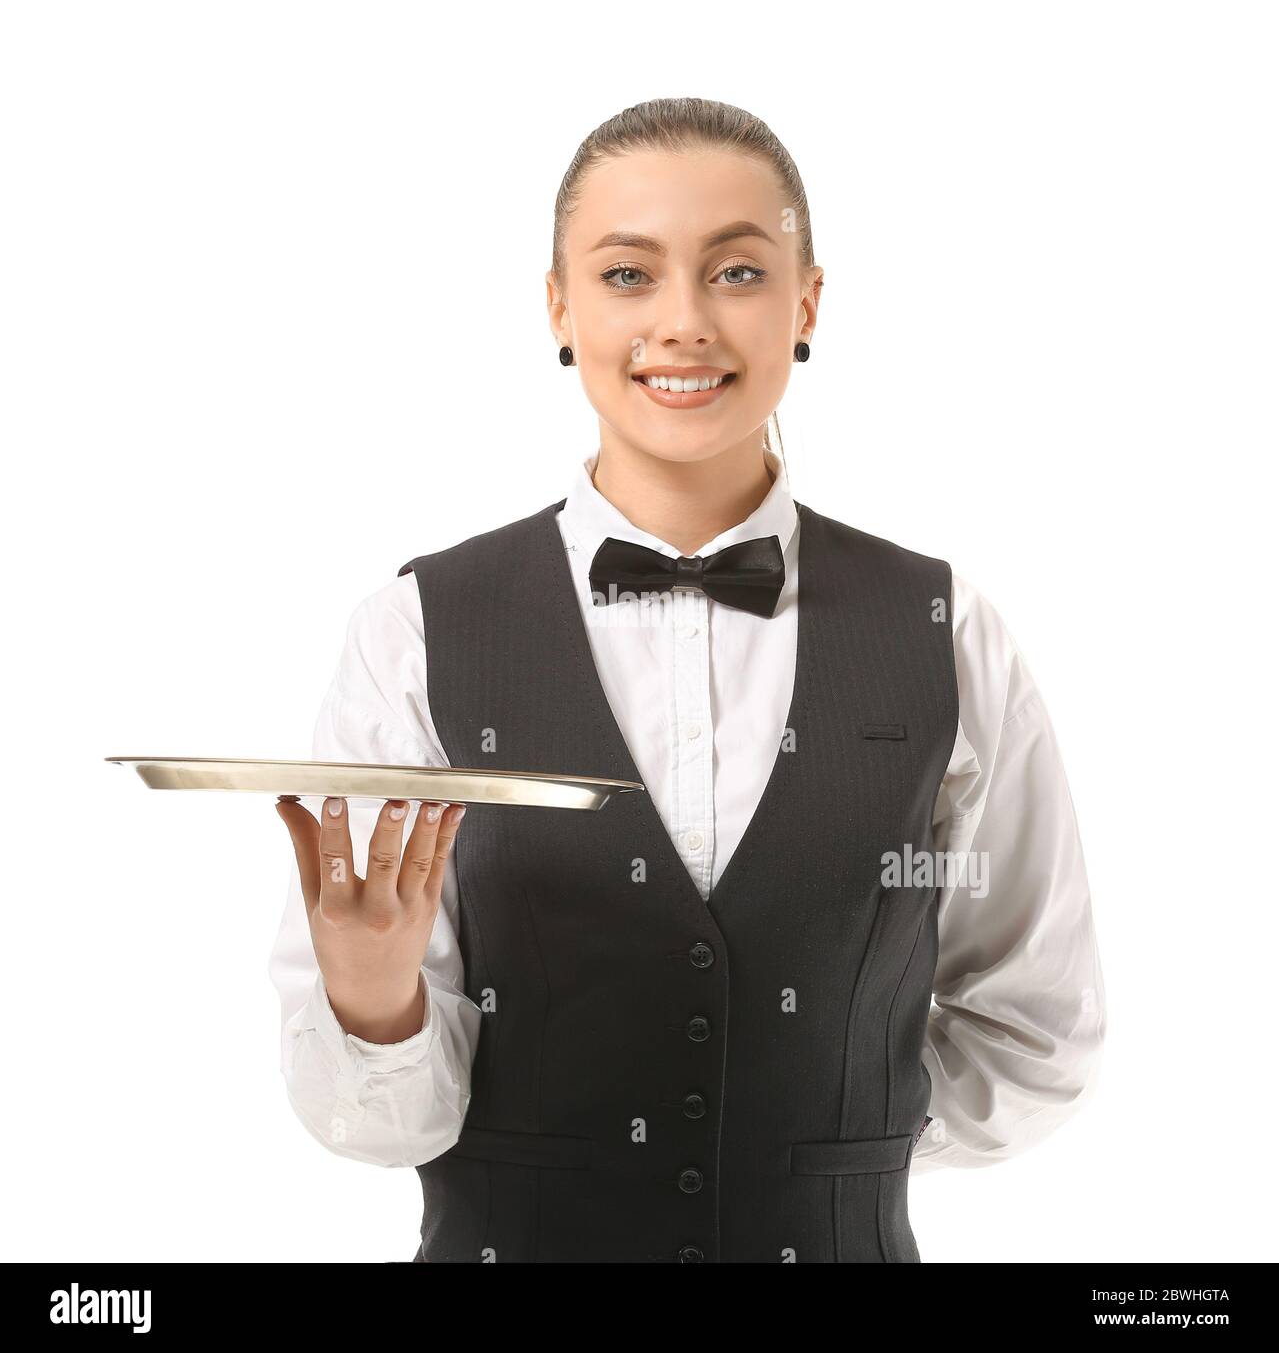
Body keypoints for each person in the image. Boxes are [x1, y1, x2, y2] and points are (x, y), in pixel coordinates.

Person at [268, 96, 1105, 1264]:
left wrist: (836, 1138)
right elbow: (376, 1122)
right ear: (557, 305)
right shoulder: (415, 630)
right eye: (625, 275)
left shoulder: (945, 627)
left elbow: (1036, 1029)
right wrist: (371, 1001)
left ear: (806, 301)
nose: (682, 323)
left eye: (737, 273)